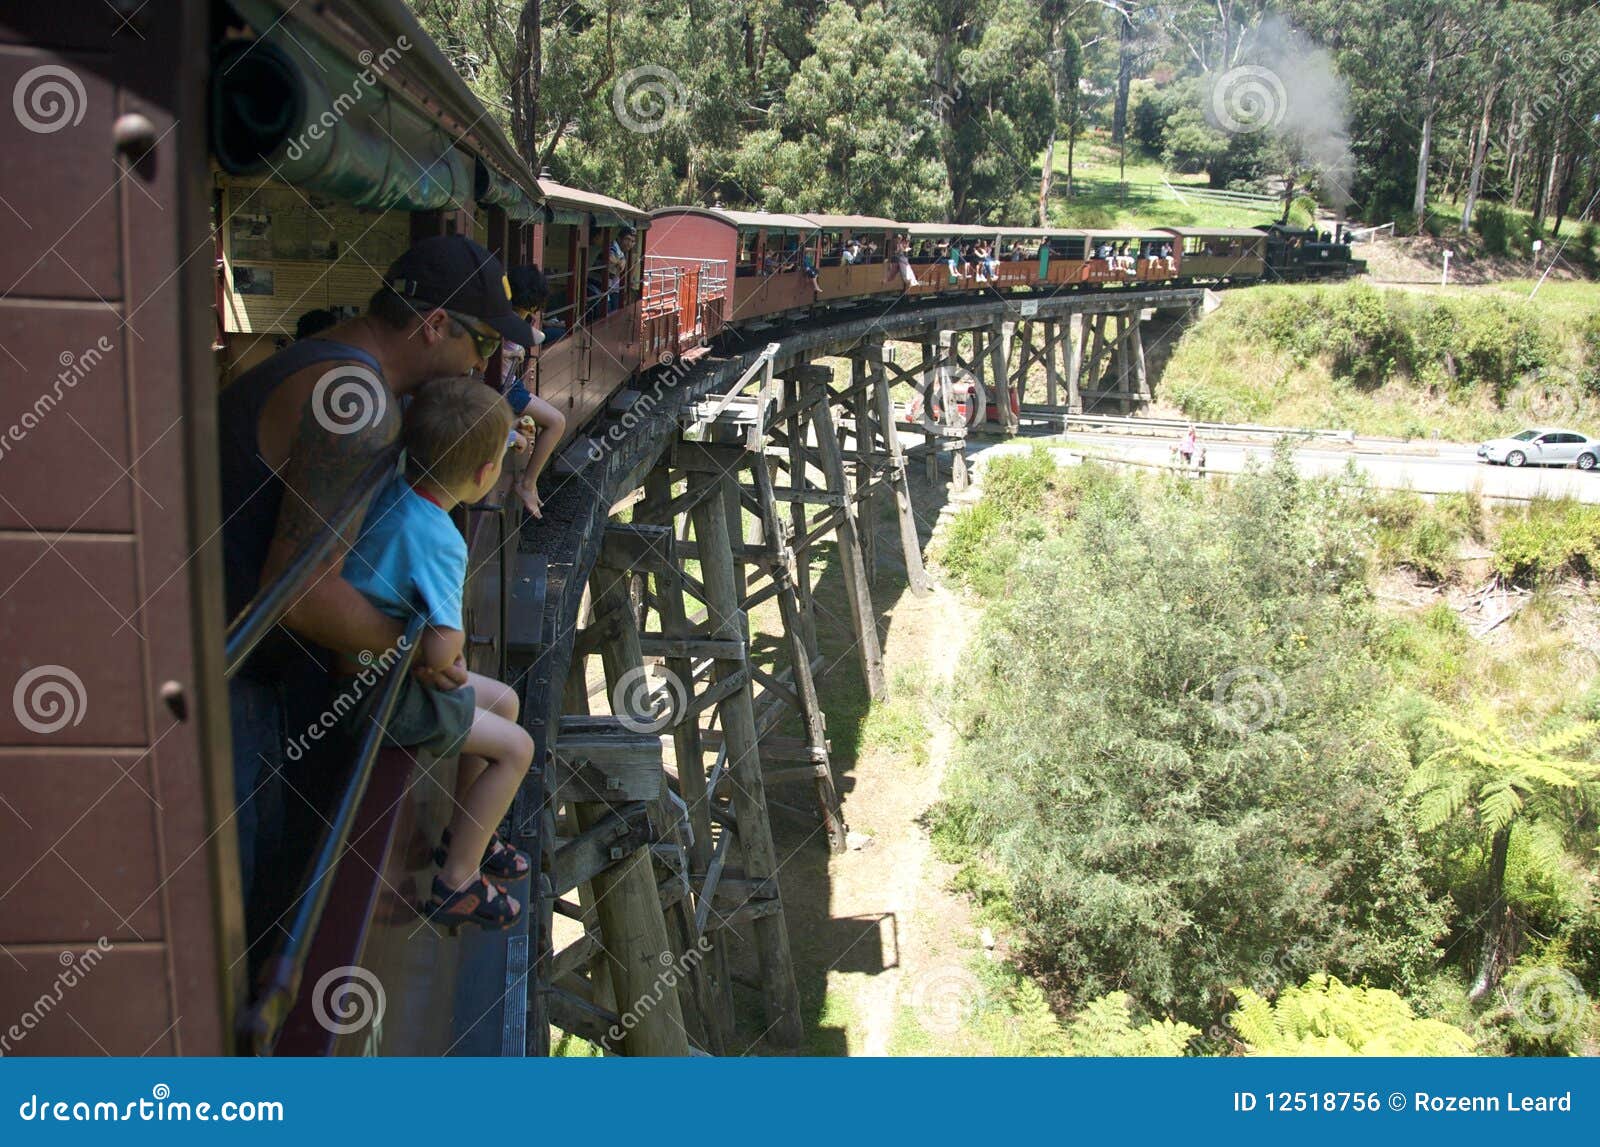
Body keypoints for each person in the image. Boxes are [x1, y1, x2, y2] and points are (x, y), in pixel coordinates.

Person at [218, 235, 533, 919]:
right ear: (435, 324)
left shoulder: (334, 365)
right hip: (230, 686)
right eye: (481, 342)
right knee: (256, 900)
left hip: (243, 668)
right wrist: (423, 651)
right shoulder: (356, 399)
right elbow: (300, 596)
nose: (485, 362)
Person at [340, 378, 534, 930]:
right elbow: (445, 646)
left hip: (368, 673)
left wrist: (445, 664)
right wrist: (447, 662)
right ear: (484, 475)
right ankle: (459, 883)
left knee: (503, 702)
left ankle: (465, 829)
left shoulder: (397, 491)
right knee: (516, 749)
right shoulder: (440, 538)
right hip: (381, 694)